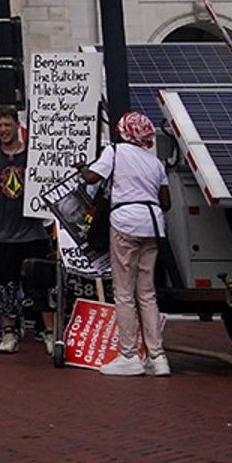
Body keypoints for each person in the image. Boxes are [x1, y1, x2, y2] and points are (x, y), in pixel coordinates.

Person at [82, 112, 171, 377]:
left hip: (125, 221)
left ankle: (129, 354)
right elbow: (166, 202)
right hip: (153, 223)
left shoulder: (115, 151)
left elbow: (92, 178)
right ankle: (158, 356)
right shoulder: (154, 161)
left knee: (123, 291)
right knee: (147, 292)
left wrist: (82, 168)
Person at [0, 105, 50, 354]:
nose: (3, 130)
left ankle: (49, 332)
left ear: (17, 125)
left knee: (41, 285)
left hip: (34, 232)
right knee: (5, 286)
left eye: (7, 125)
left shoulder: (34, 155)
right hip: (4, 235)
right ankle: (9, 332)